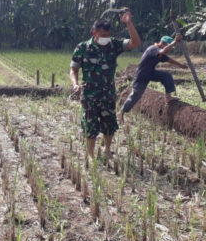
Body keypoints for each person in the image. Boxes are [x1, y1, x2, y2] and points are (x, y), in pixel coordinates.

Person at [70, 9, 141, 158]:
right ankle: (90, 154)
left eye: (108, 35)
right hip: (89, 94)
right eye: (103, 35)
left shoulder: (114, 45)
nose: (106, 38)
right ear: (94, 33)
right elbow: (74, 70)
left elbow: (135, 43)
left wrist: (128, 23)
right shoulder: (82, 48)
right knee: (90, 125)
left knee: (109, 124)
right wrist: (75, 84)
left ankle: (107, 150)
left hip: (108, 94)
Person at [119, 33, 188, 120]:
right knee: (136, 95)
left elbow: (169, 60)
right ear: (163, 43)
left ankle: (168, 98)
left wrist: (180, 65)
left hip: (150, 73)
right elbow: (163, 51)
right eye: (168, 46)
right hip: (142, 75)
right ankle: (121, 112)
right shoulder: (153, 49)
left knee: (166, 76)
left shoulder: (160, 54)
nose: (169, 50)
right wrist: (174, 42)